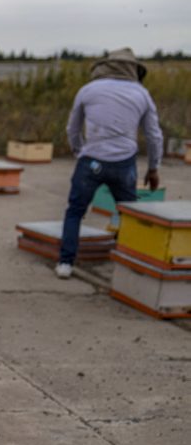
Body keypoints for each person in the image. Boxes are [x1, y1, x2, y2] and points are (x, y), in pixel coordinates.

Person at [56, 47, 163, 278]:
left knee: (75, 212)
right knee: (130, 214)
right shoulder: (141, 94)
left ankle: (65, 263)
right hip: (124, 164)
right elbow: (154, 135)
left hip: (90, 160)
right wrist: (154, 168)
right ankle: (130, 261)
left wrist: (80, 152)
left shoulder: (87, 90)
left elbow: (72, 129)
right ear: (133, 69)